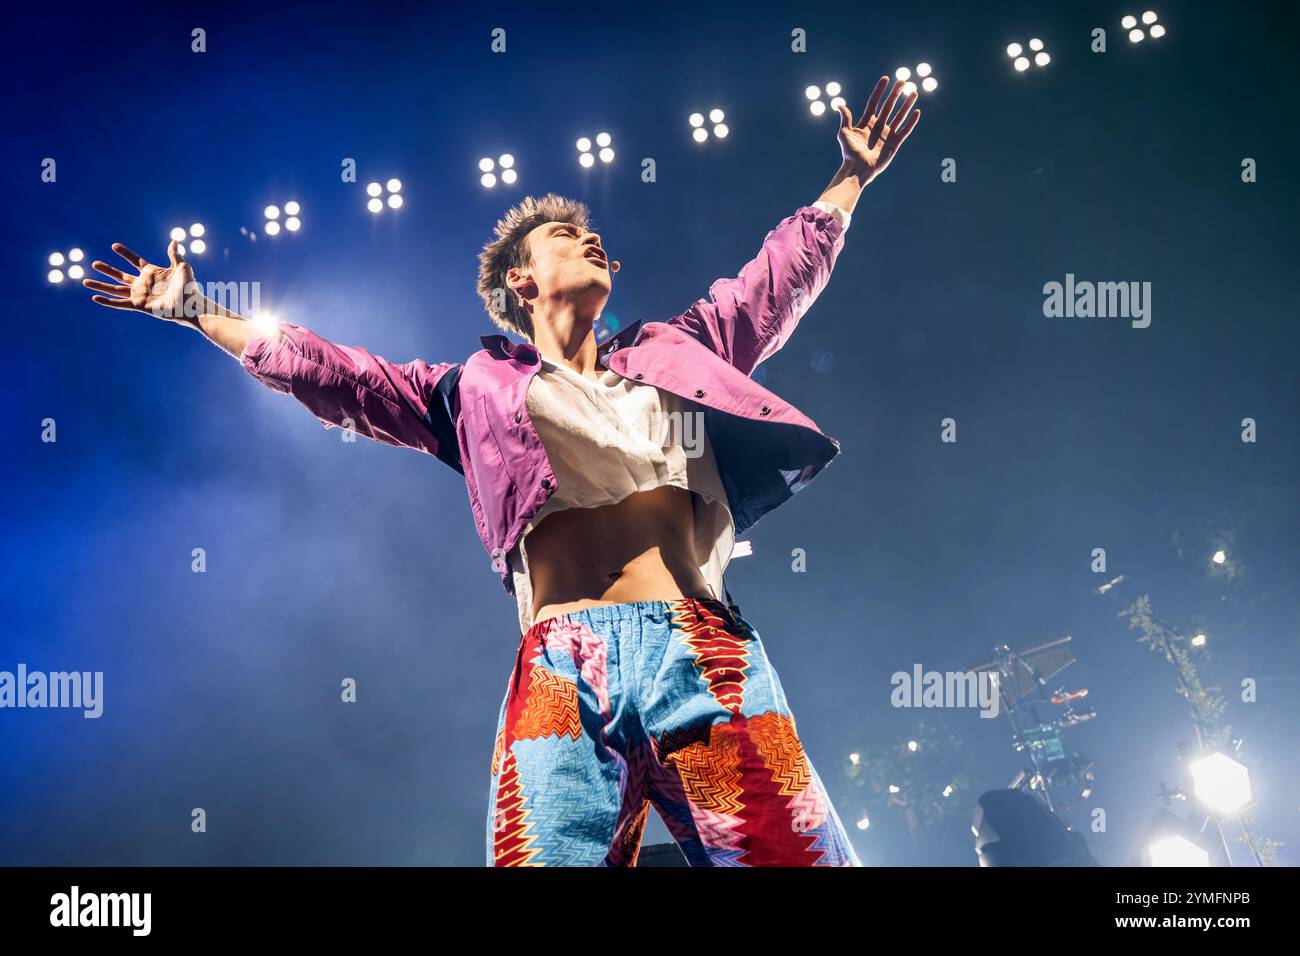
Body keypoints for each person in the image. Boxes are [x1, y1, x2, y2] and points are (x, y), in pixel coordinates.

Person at [84, 77, 920, 866]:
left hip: (698, 653)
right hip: (561, 669)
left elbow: (774, 284)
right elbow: (330, 373)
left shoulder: (679, 349)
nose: (593, 239)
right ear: (521, 280)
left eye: (595, 236)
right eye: (565, 235)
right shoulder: (472, 390)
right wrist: (198, 309)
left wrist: (849, 177)